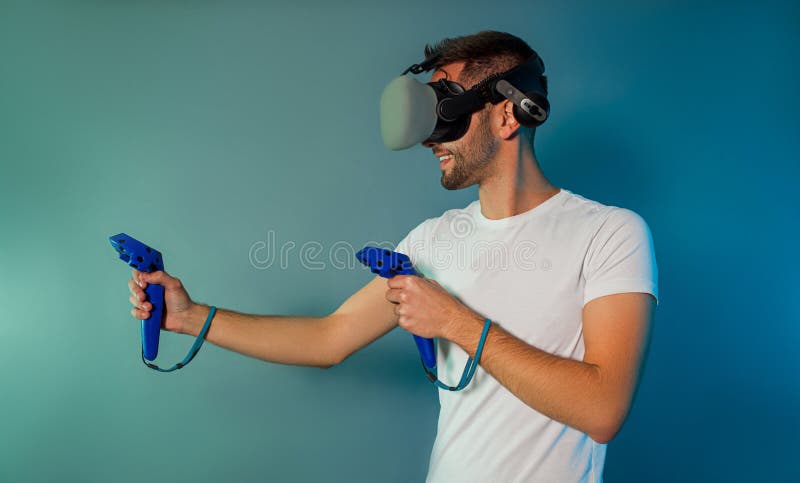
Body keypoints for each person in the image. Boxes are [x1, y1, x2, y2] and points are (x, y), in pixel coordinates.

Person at [127, 30, 658, 483]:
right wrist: (191, 317)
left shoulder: (608, 234)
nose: (430, 141)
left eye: (446, 115)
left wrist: (453, 321)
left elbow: (602, 409)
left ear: (508, 116)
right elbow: (329, 337)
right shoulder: (431, 241)